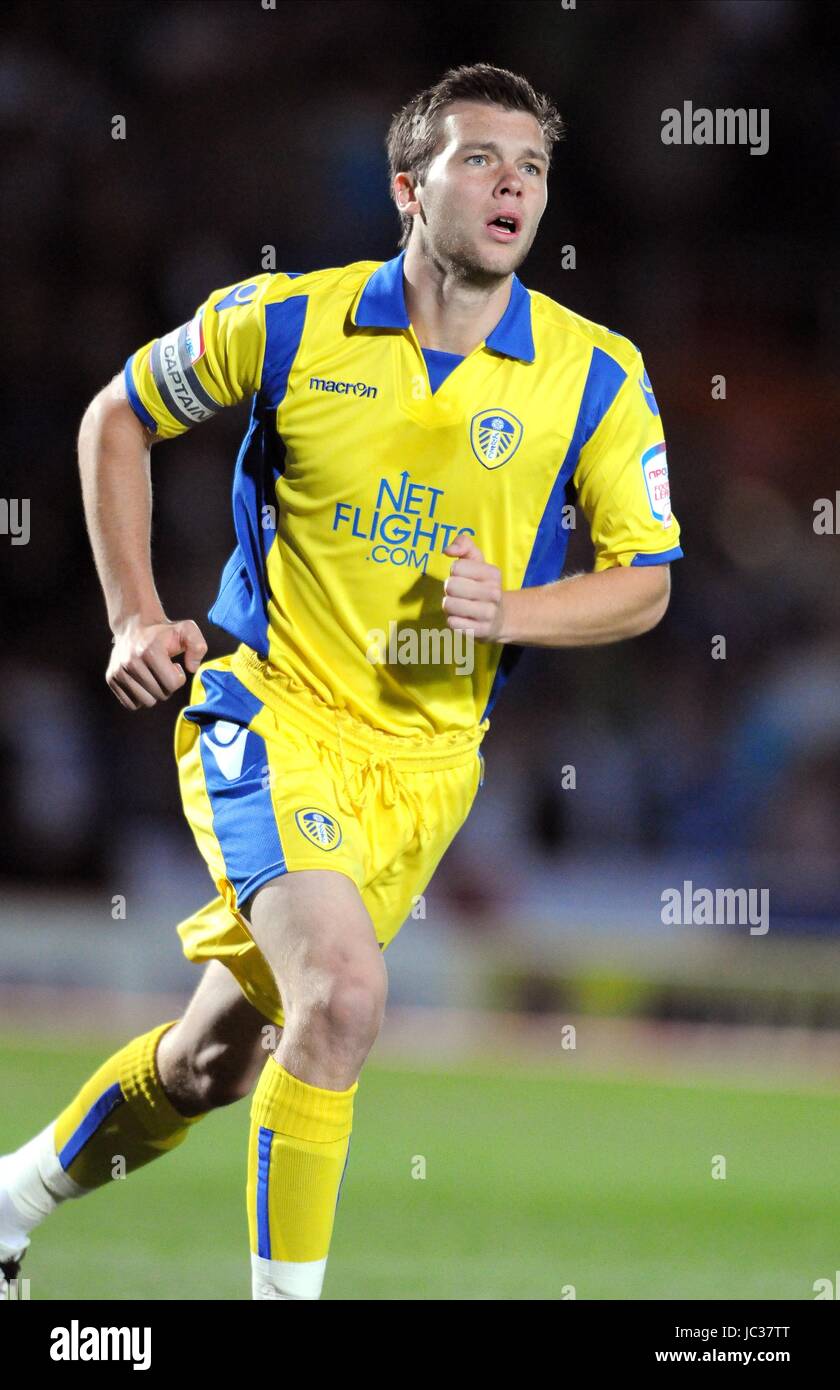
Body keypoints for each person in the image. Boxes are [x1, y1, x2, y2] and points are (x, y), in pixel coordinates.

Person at [0, 62, 682, 1301]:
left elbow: (647, 579)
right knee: (348, 995)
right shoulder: (287, 320)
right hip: (270, 710)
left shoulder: (596, 376)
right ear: (408, 185)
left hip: (428, 766)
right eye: (481, 158)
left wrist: (517, 609)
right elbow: (116, 417)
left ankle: (12, 1196)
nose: (512, 186)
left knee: (217, 1059)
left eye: (531, 166)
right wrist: (133, 615)